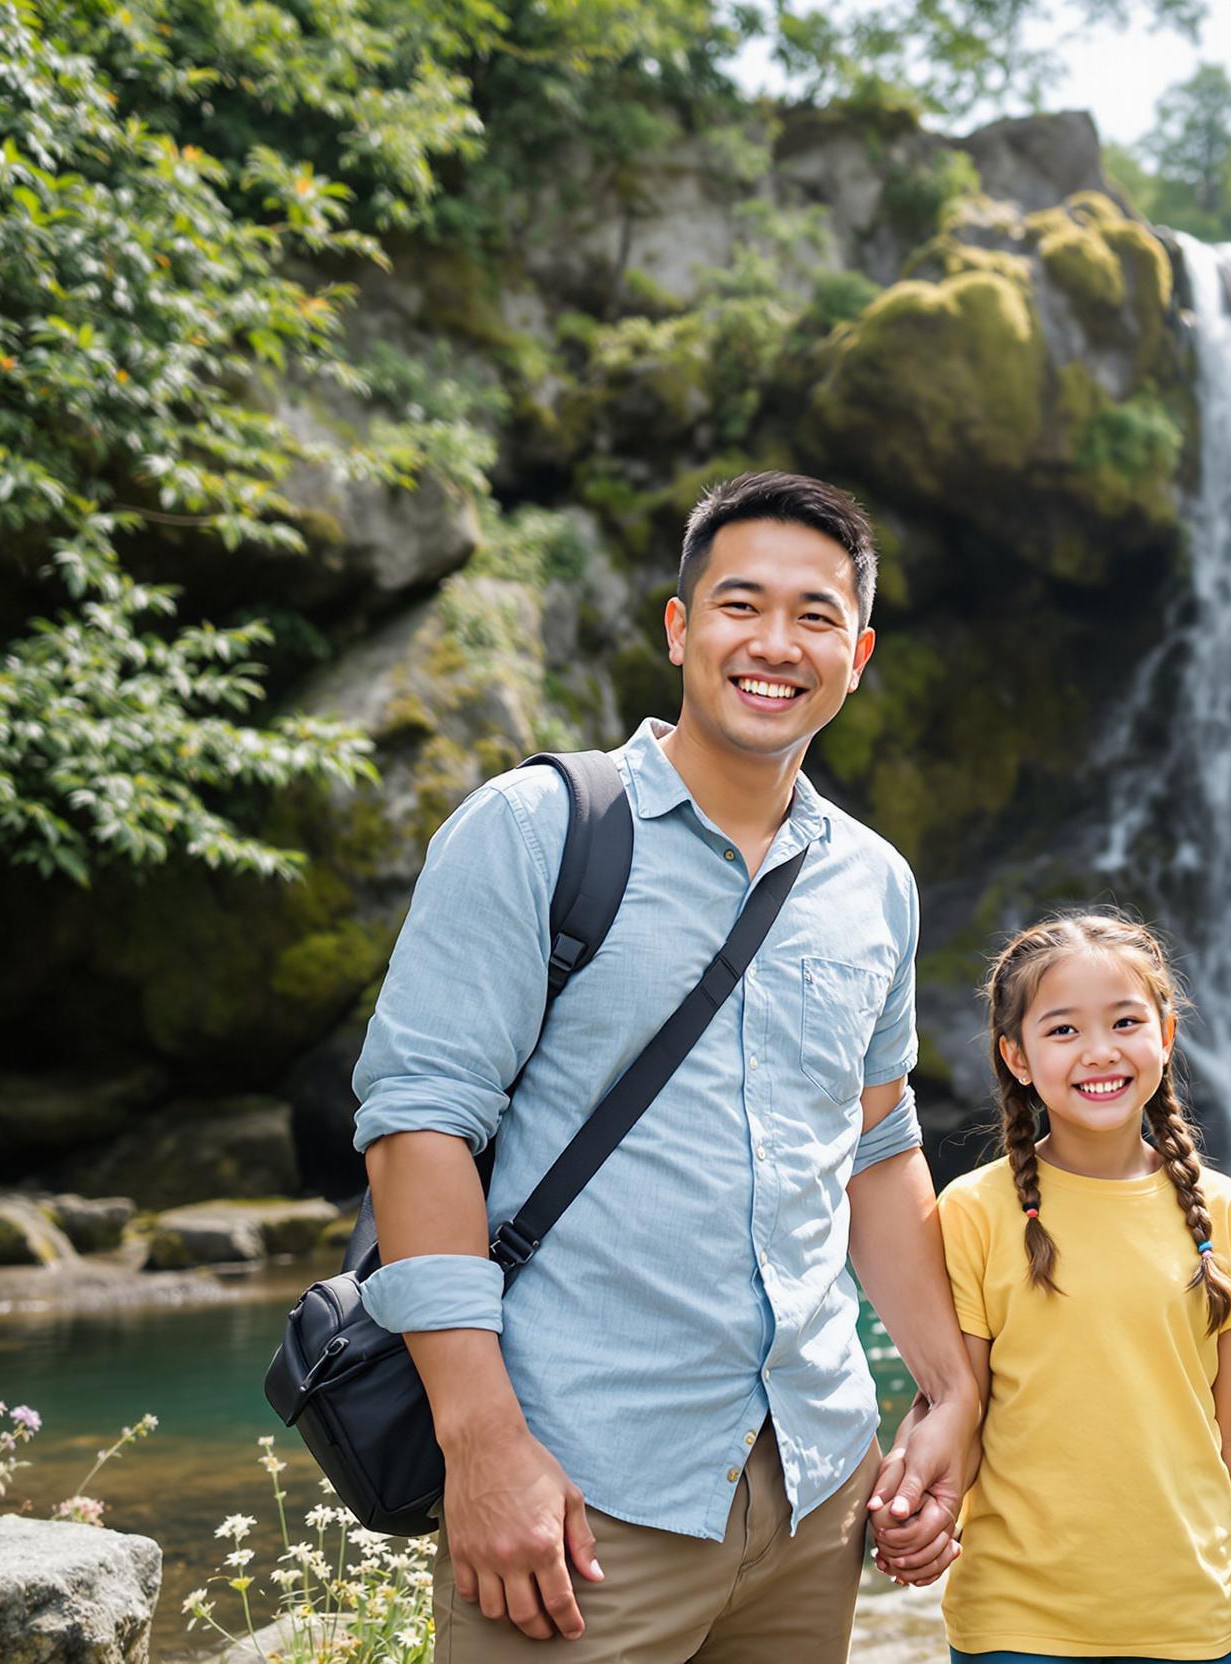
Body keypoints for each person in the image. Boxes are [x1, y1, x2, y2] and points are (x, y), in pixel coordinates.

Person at [353, 471, 978, 1660]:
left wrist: (949, 1390)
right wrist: (482, 1444)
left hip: (814, 1483)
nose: (776, 643)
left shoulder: (875, 884)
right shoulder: (540, 828)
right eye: (741, 604)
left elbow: (878, 1143)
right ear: (682, 627)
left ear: (861, 651)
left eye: (817, 615)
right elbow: (417, 1126)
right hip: (583, 1486)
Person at [876, 912, 1231, 1664]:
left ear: (1165, 1035)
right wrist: (916, 1502)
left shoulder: (1227, 1215)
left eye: (1125, 1021)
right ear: (1017, 1057)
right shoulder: (971, 1212)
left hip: (1189, 1621)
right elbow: (954, 1403)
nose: (1100, 1051)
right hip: (1017, 1623)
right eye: (1063, 1030)